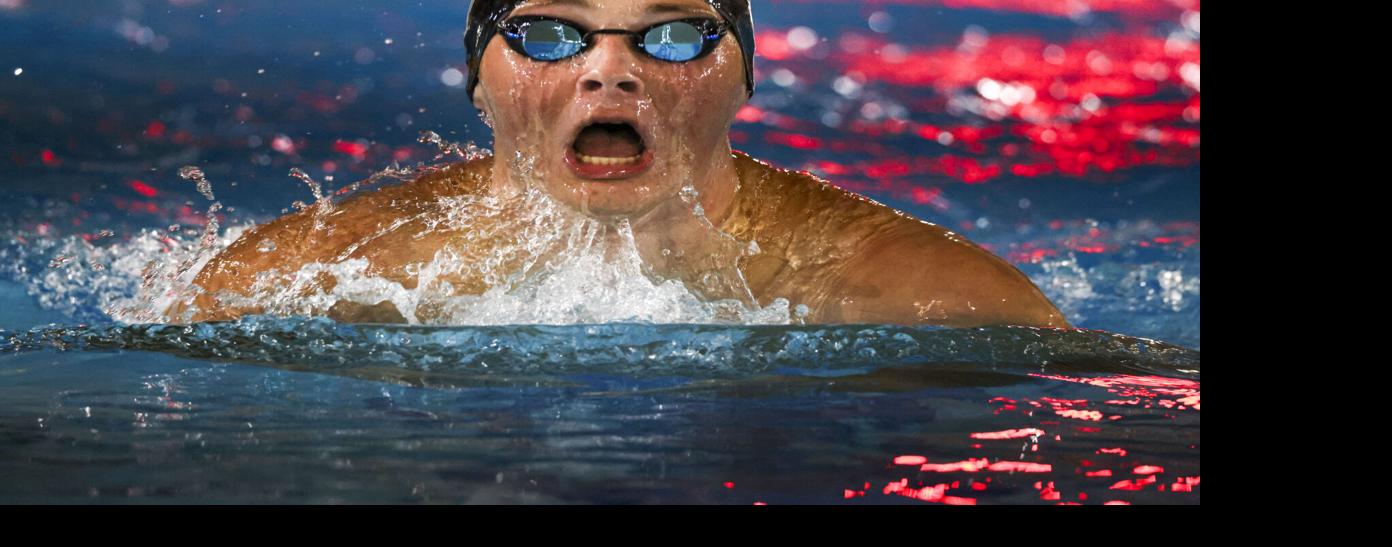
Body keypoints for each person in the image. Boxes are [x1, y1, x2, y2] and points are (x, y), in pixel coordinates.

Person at [183, 0, 1070, 328]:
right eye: (548, 33)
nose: (609, 70)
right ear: (477, 79)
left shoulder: (927, 293)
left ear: (745, 78)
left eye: (676, 35)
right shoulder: (306, 272)